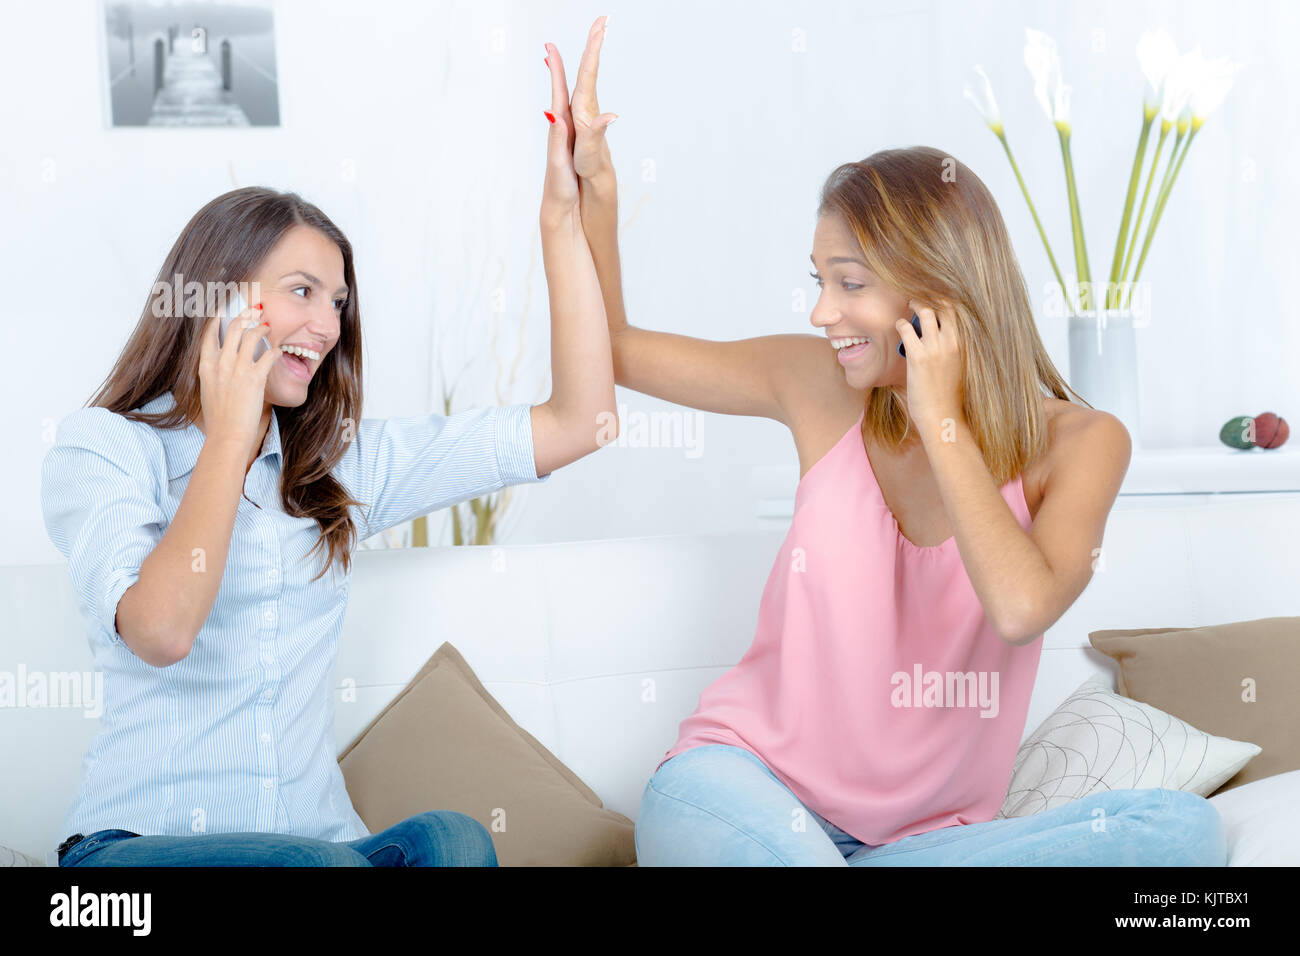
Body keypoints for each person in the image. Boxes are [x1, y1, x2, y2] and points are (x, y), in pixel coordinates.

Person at [566, 45, 1227, 866]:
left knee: (1179, 832)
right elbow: (618, 352)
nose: (819, 313)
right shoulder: (816, 386)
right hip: (738, 793)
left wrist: (941, 418)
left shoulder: (1084, 444)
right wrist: (597, 191)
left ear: (937, 292)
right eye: (818, 280)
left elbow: (1022, 608)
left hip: (925, 845)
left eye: (848, 283)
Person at [44, 19, 616, 868]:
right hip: (135, 852)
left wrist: (563, 222)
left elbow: (581, 421)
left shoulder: (335, 469)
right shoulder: (103, 449)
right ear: (214, 298)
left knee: (452, 841)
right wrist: (231, 439)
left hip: (322, 847)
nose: (325, 324)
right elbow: (162, 630)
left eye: (338, 301)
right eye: (301, 291)